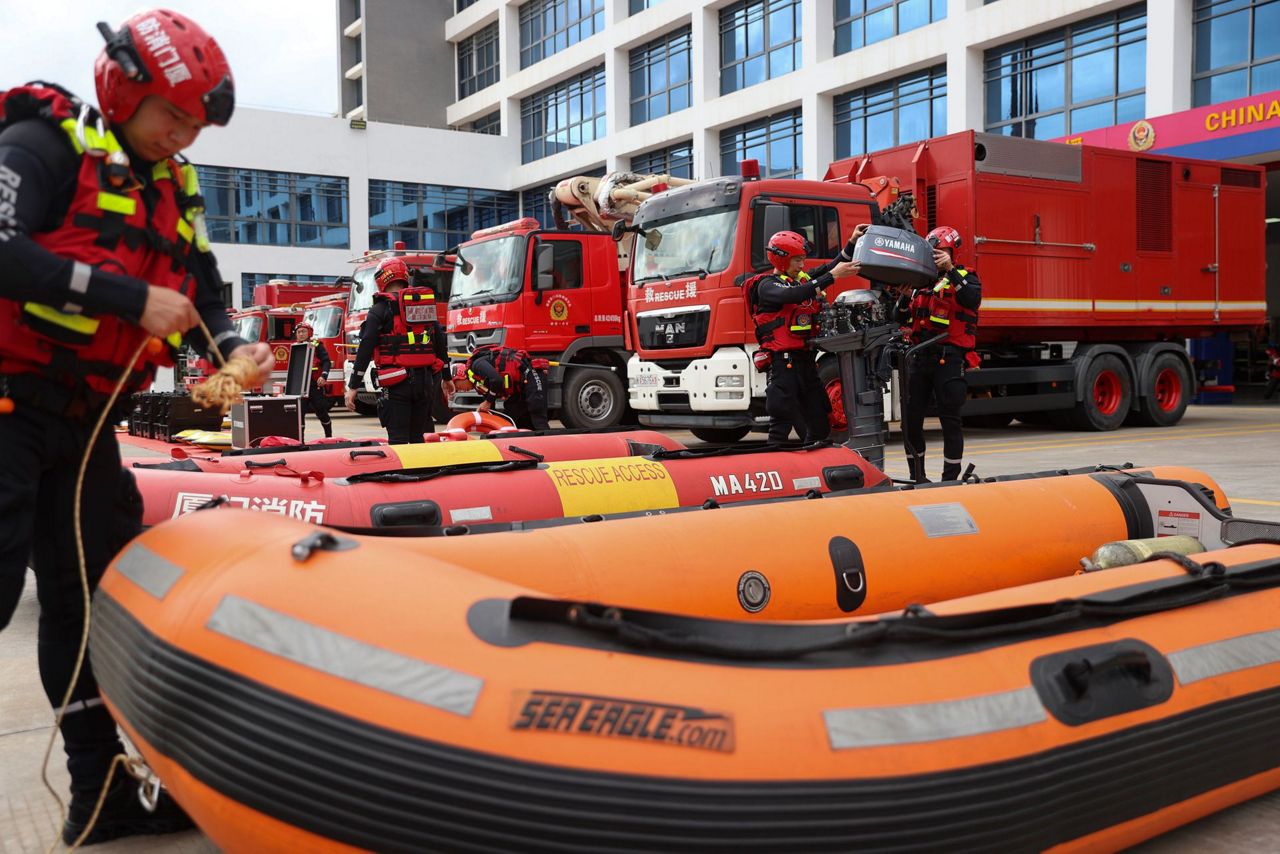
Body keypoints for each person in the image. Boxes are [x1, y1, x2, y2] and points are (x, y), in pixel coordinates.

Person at [0, 10, 272, 845]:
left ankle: (102, 790)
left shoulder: (171, 188)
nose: (183, 134)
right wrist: (126, 299)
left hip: (84, 429)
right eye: (174, 116)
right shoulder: (40, 146)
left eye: (195, 124)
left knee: (86, 605)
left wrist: (231, 348)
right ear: (123, 86)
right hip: (7, 408)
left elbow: (200, 290)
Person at [747, 228, 863, 443]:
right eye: (797, 260)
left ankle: (812, 462)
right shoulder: (767, 286)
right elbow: (793, 294)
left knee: (820, 422)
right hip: (784, 365)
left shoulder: (799, 280)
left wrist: (852, 241)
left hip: (807, 363)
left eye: (803, 260)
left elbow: (832, 266)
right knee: (780, 423)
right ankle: (776, 468)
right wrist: (832, 276)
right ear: (781, 260)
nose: (802, 265)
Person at [888, 225, 982, 482]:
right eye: (933, 253)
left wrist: (951, 269)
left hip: (948, 358)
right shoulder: (921, 281)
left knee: (950, 419)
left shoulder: (966, 277)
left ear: (952, 253)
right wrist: (905, 297)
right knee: (910, 421)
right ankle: (917, 476)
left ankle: (950, 478)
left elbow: (972, 300)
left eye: (942, 252)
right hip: (918, 358)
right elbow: (898, 317)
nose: (937, 256)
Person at [345, 257, 451, 443]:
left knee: (398, 440)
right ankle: (422, 471)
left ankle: (403, 472)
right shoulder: (423, 306)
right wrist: (447, 377)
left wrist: (353, 386)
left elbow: (366, 347)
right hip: (426, 382)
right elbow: (439, 341)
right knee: (419, 438)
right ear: (405, 277)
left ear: (382, 279)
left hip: (396, 384)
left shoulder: (379, 309)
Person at [452, 346, 551, 430]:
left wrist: (488, 402)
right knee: (509, 419)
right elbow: (490, 404)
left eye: (457, 386)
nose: (460, 390)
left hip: (531, 376)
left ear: (461, 376)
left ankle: (549, 445)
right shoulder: (478, 383)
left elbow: (497, 380)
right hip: (519, 390)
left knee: (537, 416)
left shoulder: (477, 365)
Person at [293, 322, 332, 439]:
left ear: (309, 333)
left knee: (321, 411)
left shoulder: (317, 345)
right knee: (300, 414)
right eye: (298, 332)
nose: (301, 334)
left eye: (303, 331)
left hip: (315, 384)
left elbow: (326, 361)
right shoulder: (295, 347)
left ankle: (329, 437)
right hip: (300, 386)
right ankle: (301, 441)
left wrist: (324, 376)